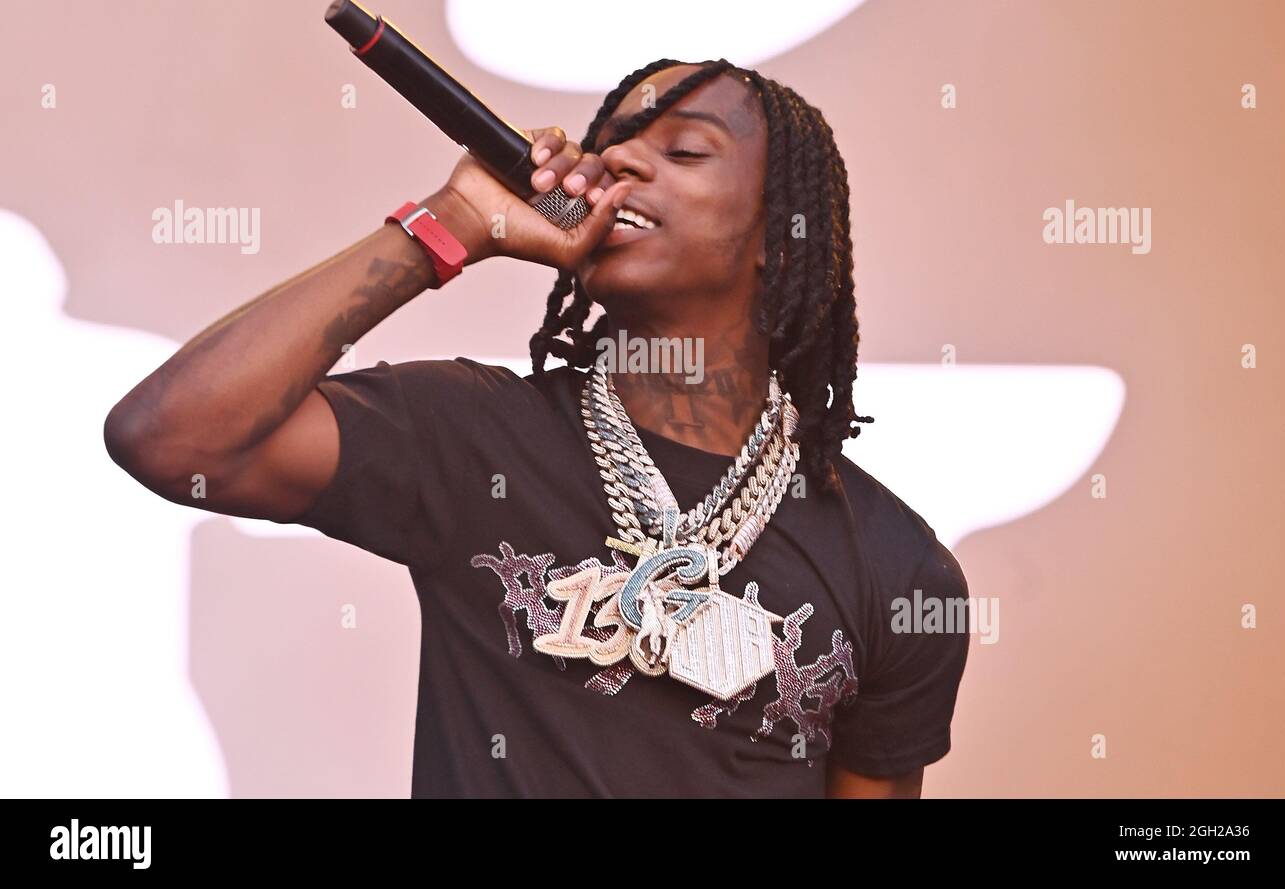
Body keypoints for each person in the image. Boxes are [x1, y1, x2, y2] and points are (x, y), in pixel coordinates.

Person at [104, 58, 971, 798]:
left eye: (685, 150)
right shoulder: (468, 435)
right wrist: (448, 226)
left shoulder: (895, 565)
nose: (622, 157)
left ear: (779, 241)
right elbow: (171, 436)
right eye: (614, 144)